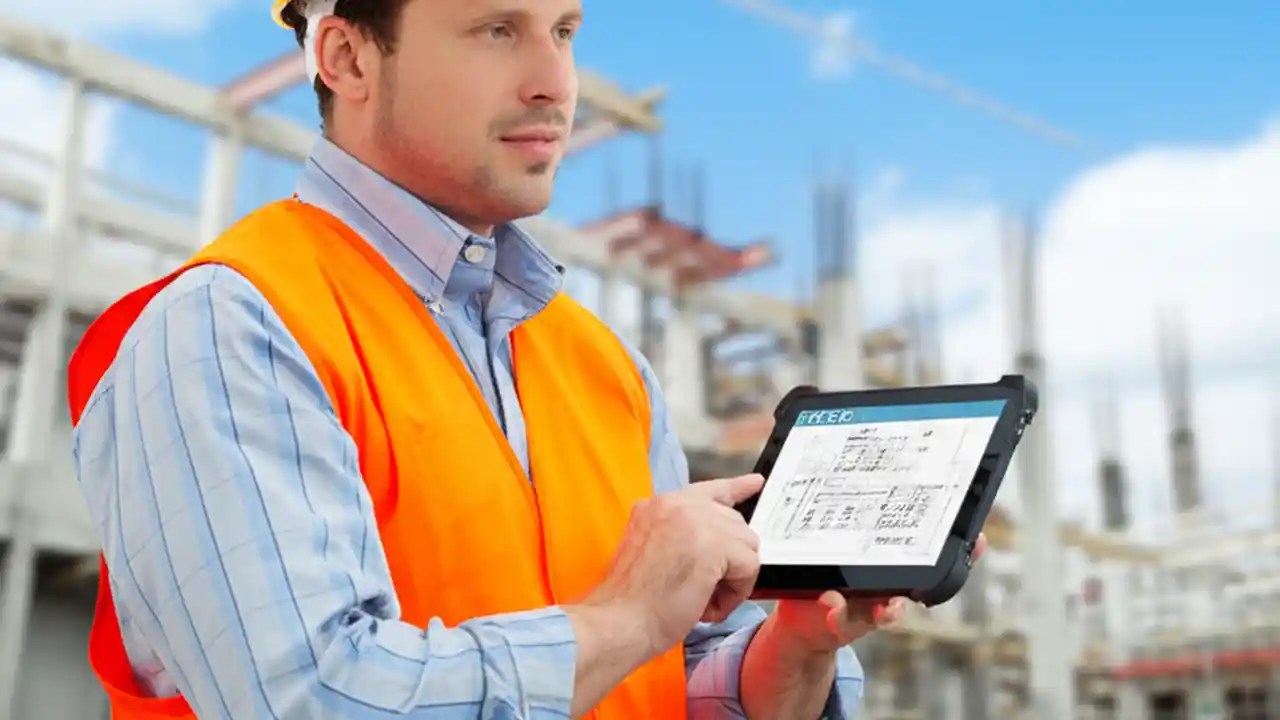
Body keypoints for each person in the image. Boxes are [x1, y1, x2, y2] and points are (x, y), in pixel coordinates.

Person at [66, 0, 983, 717]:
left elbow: (661, 681)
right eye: (498, 29)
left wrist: (790, 653)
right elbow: (313, 697)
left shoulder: (605, 367)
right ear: (346, 57)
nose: (555, 82)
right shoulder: (229, 324)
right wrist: (624, 617)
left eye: (566, 30)